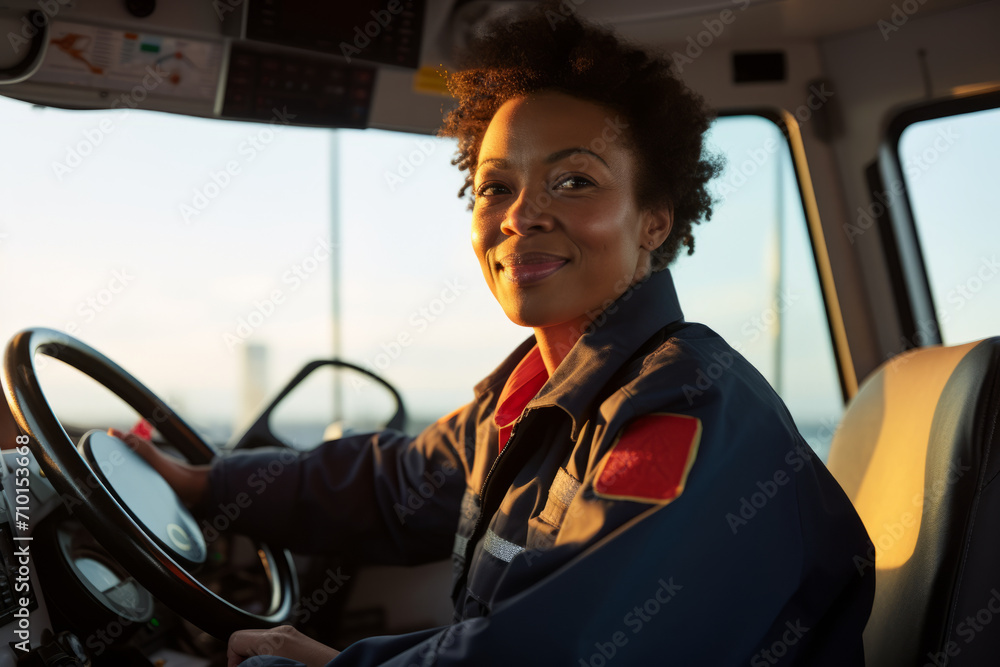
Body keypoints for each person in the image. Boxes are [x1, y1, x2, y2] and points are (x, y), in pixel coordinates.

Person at [117, 6, 874, 665]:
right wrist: (208, 484)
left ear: (655, 220)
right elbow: (393, 487)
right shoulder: (531, 392)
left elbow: (564, 653)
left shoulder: (688, 411)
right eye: (496, 187)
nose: (520, 214)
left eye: (573, 180)